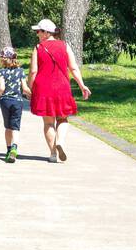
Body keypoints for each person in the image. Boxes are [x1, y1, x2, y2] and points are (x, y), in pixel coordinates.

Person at [28, 19, 91, 162]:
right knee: (62, 118)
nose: (37, 34)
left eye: (38, 31)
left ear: (46, 33)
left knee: (48, 123)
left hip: (43, 89)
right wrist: (82, 85)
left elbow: (33, 71)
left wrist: (30, 87)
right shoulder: (65, 45)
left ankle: (53, 154)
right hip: (62, 87)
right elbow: (73, 67)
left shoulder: (38, 48)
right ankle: (60, 141)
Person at [0, 47, 30, 162]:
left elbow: (2, 88)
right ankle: (14, 147)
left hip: (5, 101)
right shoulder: (21, 71)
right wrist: (31, 95)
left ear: (4, 59)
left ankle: (8, 150)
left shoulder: (1, 72)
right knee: (16, 127)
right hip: (17, 101)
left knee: (7, 126)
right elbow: (24, 88)